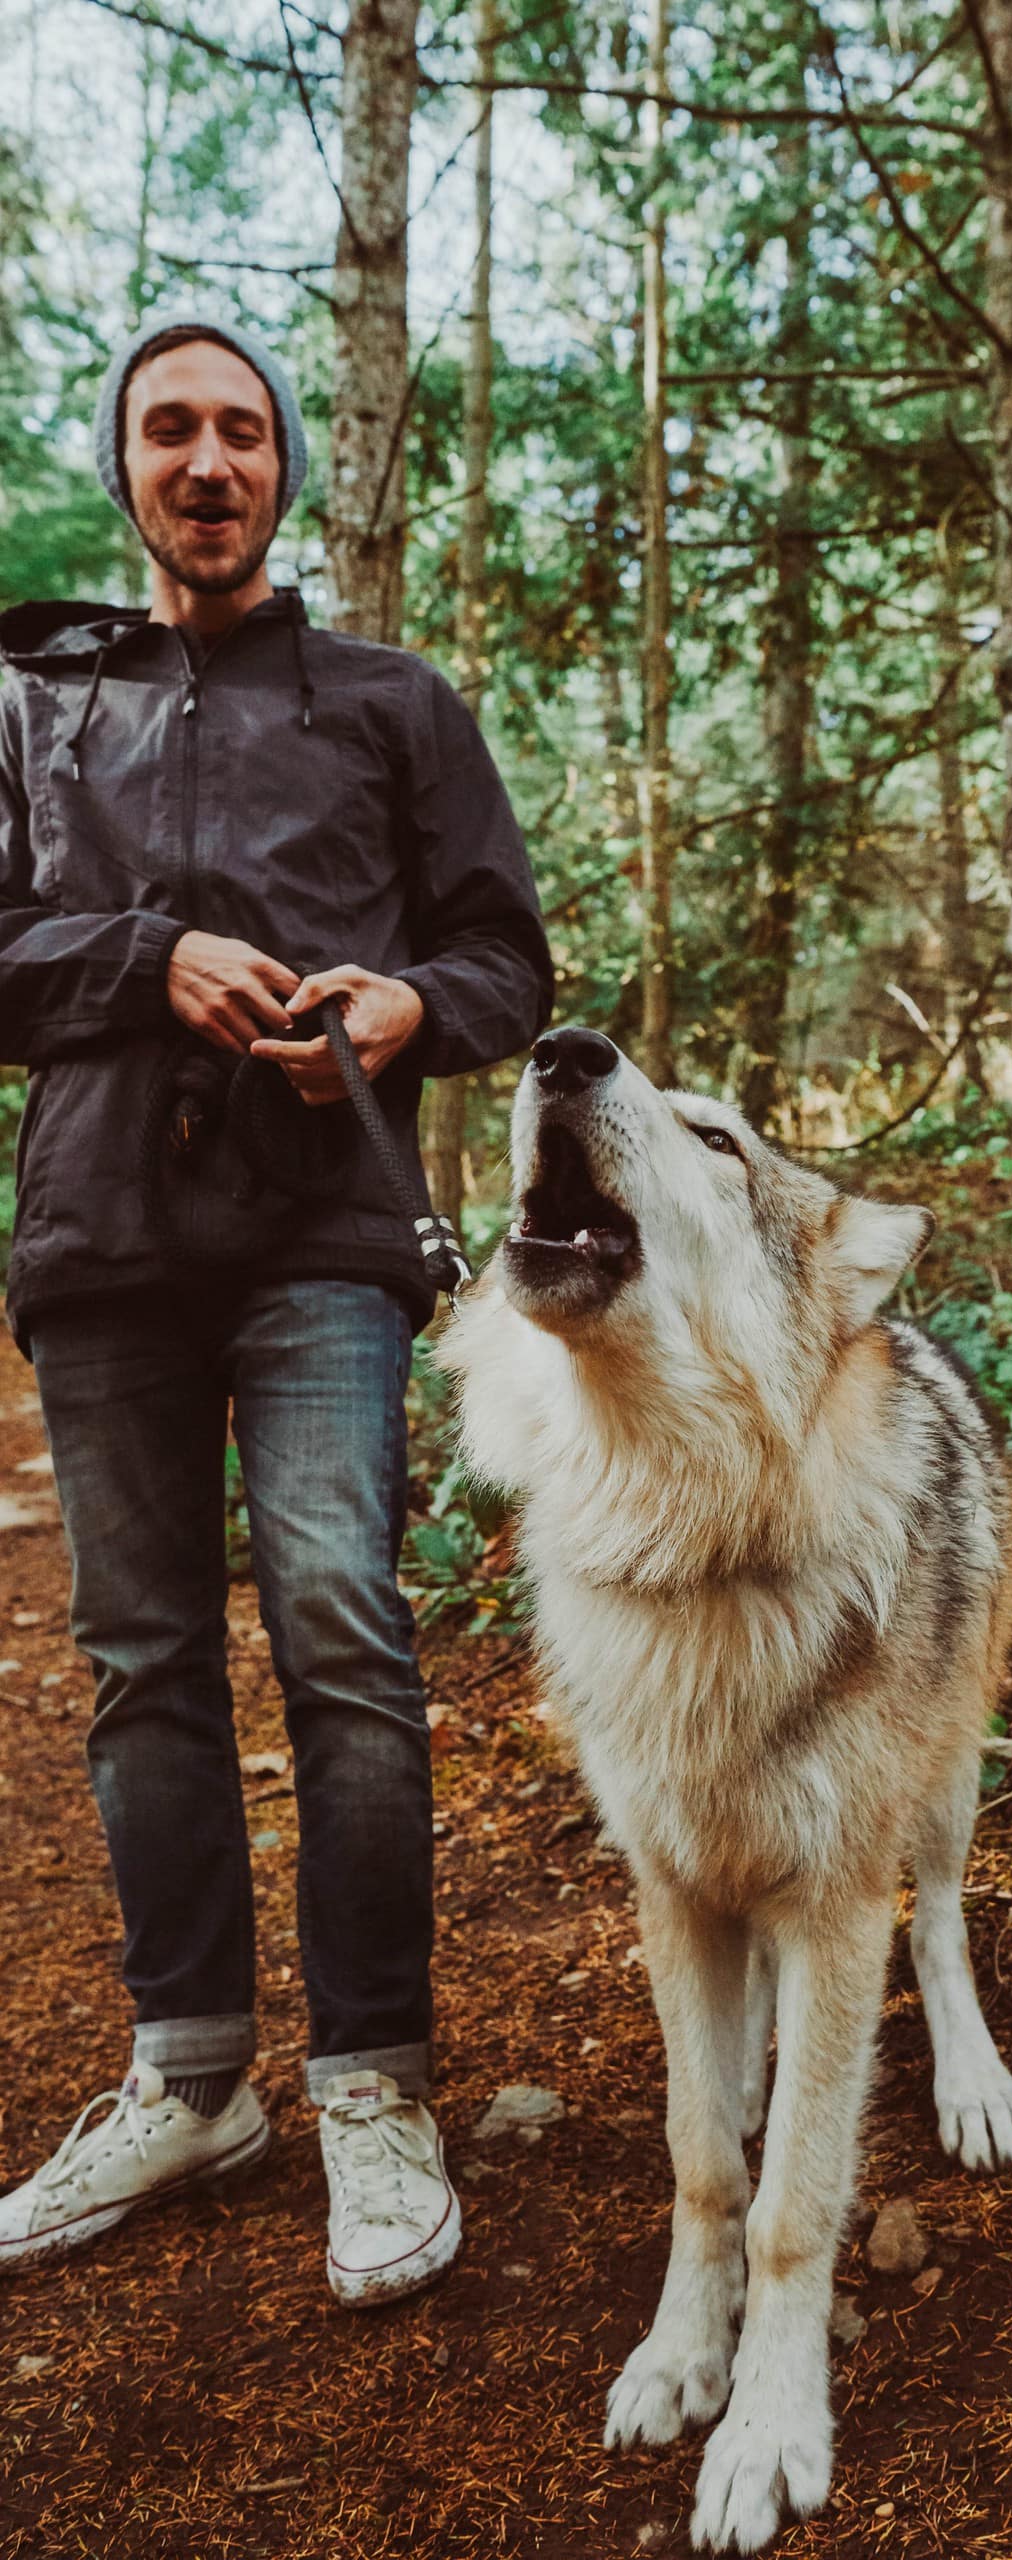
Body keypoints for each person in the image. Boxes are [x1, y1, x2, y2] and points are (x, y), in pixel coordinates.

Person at [0, 315, 552, 2303]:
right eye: (172, 429)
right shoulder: (29, 693)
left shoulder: (397, 702)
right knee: (144, 1659)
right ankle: (191, 2072)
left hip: (330, 1235)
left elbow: (500, 950)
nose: (209, 461)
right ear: (127, 464)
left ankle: (376, 2078)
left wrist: (410, 1010)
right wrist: (149, 961)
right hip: (101, 1243)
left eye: (242, 429)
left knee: (343, 1628)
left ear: (286, 466)